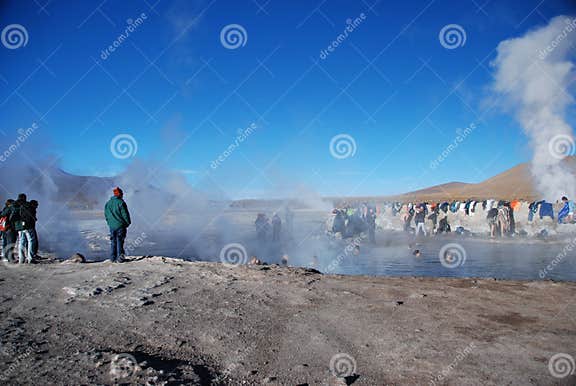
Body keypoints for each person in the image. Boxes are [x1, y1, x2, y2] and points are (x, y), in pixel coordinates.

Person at [104, 187, 131, 263]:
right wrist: (128, 223)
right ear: (119, 194)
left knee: (113, 242)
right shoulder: (121, 202)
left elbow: (106, 215)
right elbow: (125, 214)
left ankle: (112, 258)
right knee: (120, 241)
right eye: (121, 194)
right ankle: (120, 259)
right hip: (120, 226)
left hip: (111, 226)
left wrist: (109, 222)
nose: (122, 195)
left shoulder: (108, 203)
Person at [13, 193, 37, 264]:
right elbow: (31, 216)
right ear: (25, 198)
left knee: (21, 242)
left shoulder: (14, 205)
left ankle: (21, 259)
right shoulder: (27, 205)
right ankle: (30, 258)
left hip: (18, 226)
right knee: (31, 241)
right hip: (27, 226)